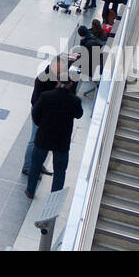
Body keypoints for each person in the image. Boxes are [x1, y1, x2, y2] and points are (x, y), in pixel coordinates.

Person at [25, 64, 84, 198]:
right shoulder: (74, 101)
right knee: (60, 171)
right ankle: (54, 197)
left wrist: (41, 125)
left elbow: (35, 114)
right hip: (62, 141)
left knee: (35, 165)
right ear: (70, 84)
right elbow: (79, 114)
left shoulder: (46, 96)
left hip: (44, 137)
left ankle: (30, 190)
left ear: (58, 81)